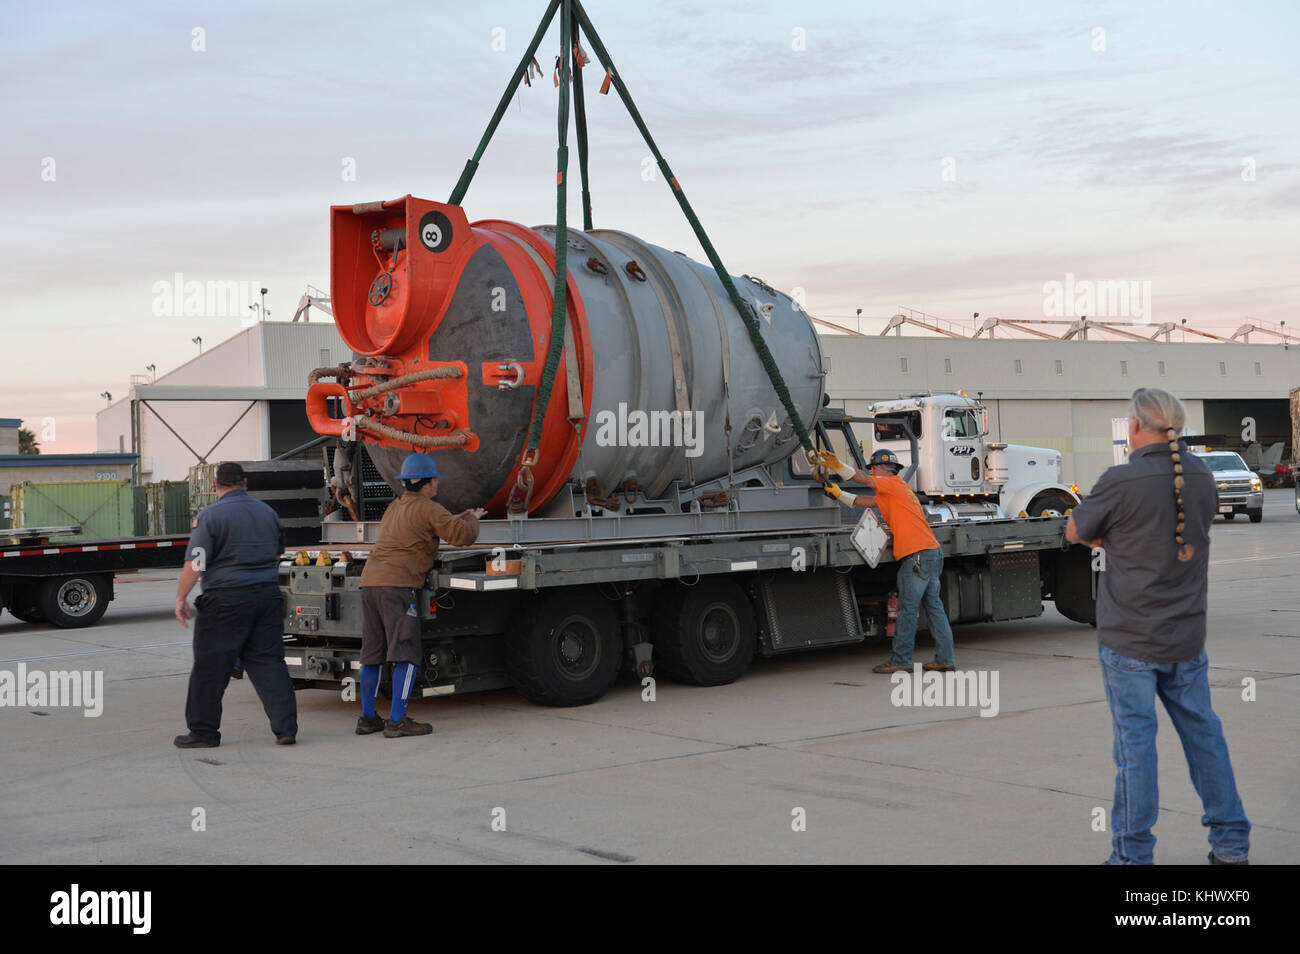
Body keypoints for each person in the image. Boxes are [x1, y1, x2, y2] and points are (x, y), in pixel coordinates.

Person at [1067, 387, 1250, 865]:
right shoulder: (1203, 476)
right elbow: (1182, 528)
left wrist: (1112, 534)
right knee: (1205, 738)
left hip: (1130, 638)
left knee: (1136, 750)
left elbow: (1076, 530)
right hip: (1186, 636)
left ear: (1134, 426)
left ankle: (1132, 857)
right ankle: (1231, 846)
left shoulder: (1121, 479)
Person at [358, 453, 485, 738]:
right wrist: (473, 520)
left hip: (370, 585)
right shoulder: (430, 508)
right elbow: (461, 537)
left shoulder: (395, 507)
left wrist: (452, 518)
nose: (438, 483)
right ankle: (397, 721)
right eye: (436, 479)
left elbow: (420, 526)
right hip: (398, 588)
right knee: (405, 655)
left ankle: (368, 718)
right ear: (427, 483)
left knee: (372, 655)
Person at [174, 462, 297, 747]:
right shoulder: (267, 513)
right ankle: (286, 729)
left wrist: (181, 597)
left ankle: (203, 733)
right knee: (269, 663)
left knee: (210, 668)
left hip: (226, 600)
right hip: (267, 597)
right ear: (244, 483)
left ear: (216, 486)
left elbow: (198, 562)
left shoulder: (211, 516)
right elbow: (278, 554)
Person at [816, 448, 956, 674]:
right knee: (935, 609)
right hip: (931, 553)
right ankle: (945, 658)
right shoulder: (897, 489)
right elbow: (867, 502)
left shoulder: (890, 484)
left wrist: (837, 466)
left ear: (883, 469)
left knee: (908, 611)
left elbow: (861, 479)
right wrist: (838, 493)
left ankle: (901, 660)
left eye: (873, 467)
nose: (870, 470)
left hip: (917, 556)